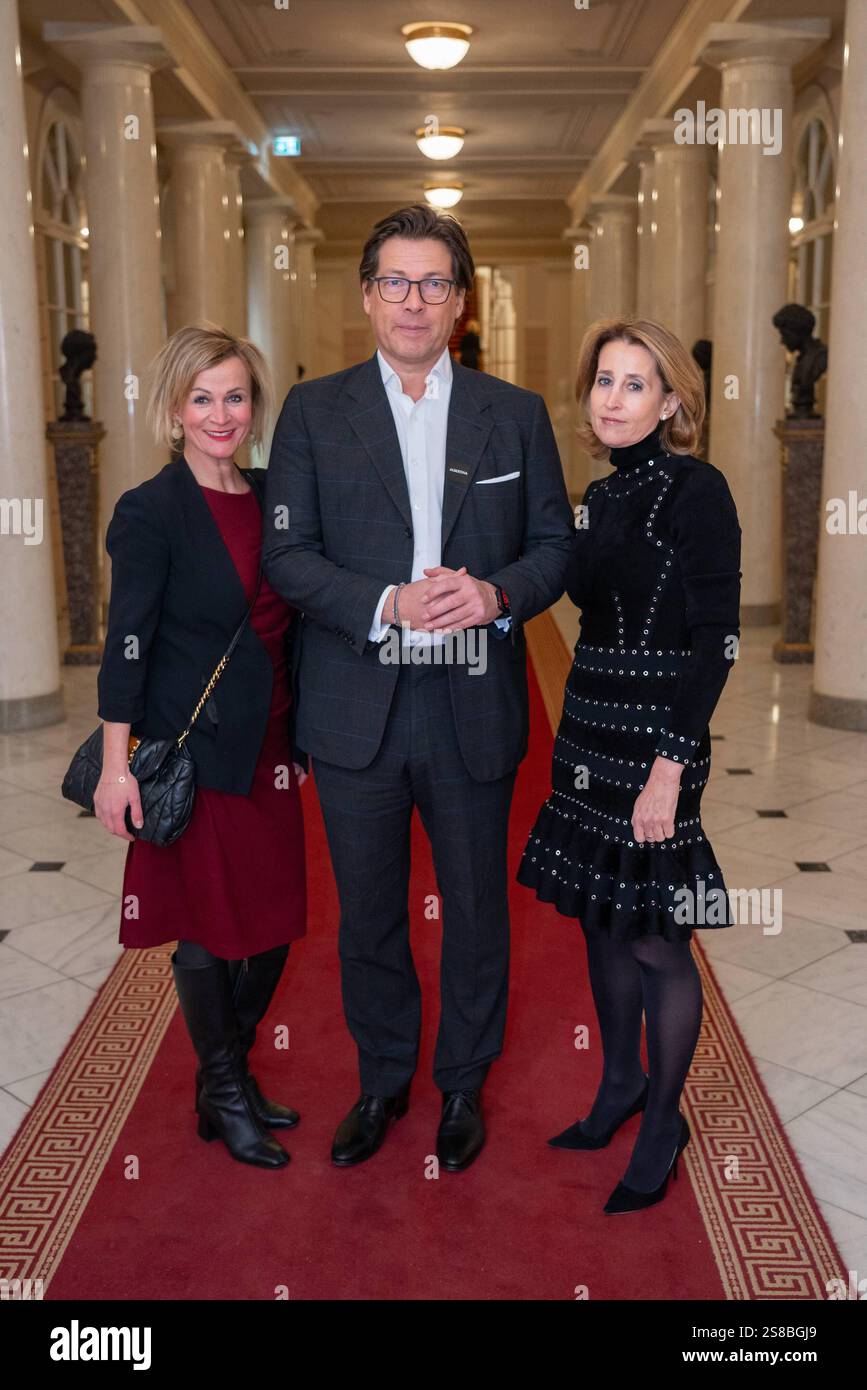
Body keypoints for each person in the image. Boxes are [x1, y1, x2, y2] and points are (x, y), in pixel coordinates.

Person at [264, 204, 573, 1171]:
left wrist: (492, 592)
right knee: (368, 912)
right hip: (355, 704)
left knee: (477, 908)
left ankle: (463, 1085)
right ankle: (384, 1077)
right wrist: (388, 602)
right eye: (394, 282)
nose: (412, 301)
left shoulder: (511, 414)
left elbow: (555, 546)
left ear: (459, 300)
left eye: (433, 283)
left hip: (472, 703)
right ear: (365, 296)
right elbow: (288, 555)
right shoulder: (314, 413)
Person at [518, 318, 742, 1213]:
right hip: (586, 729)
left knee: (655, 935)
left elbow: (715, 641)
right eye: (602, 381)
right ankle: (617, 1085)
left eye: (633, 383)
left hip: (657, 737)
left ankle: (661, 1120)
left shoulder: (697, 489)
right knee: (601, 918)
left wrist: (669, 767)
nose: (612, 399)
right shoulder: (598, 498)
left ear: (672, 400)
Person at [94, 323, 307, 1171]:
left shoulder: (273, 495)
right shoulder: (151, 511)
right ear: (175, 412)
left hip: (278, 744)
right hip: (199, 750)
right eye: (201, 398)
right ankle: (223, 1089)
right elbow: (126, 643)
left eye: (235, 396)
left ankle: (228, 1074)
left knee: (276, 924)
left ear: (253, 406)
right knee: (210, 930)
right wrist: (117, 767)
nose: (221, 414)